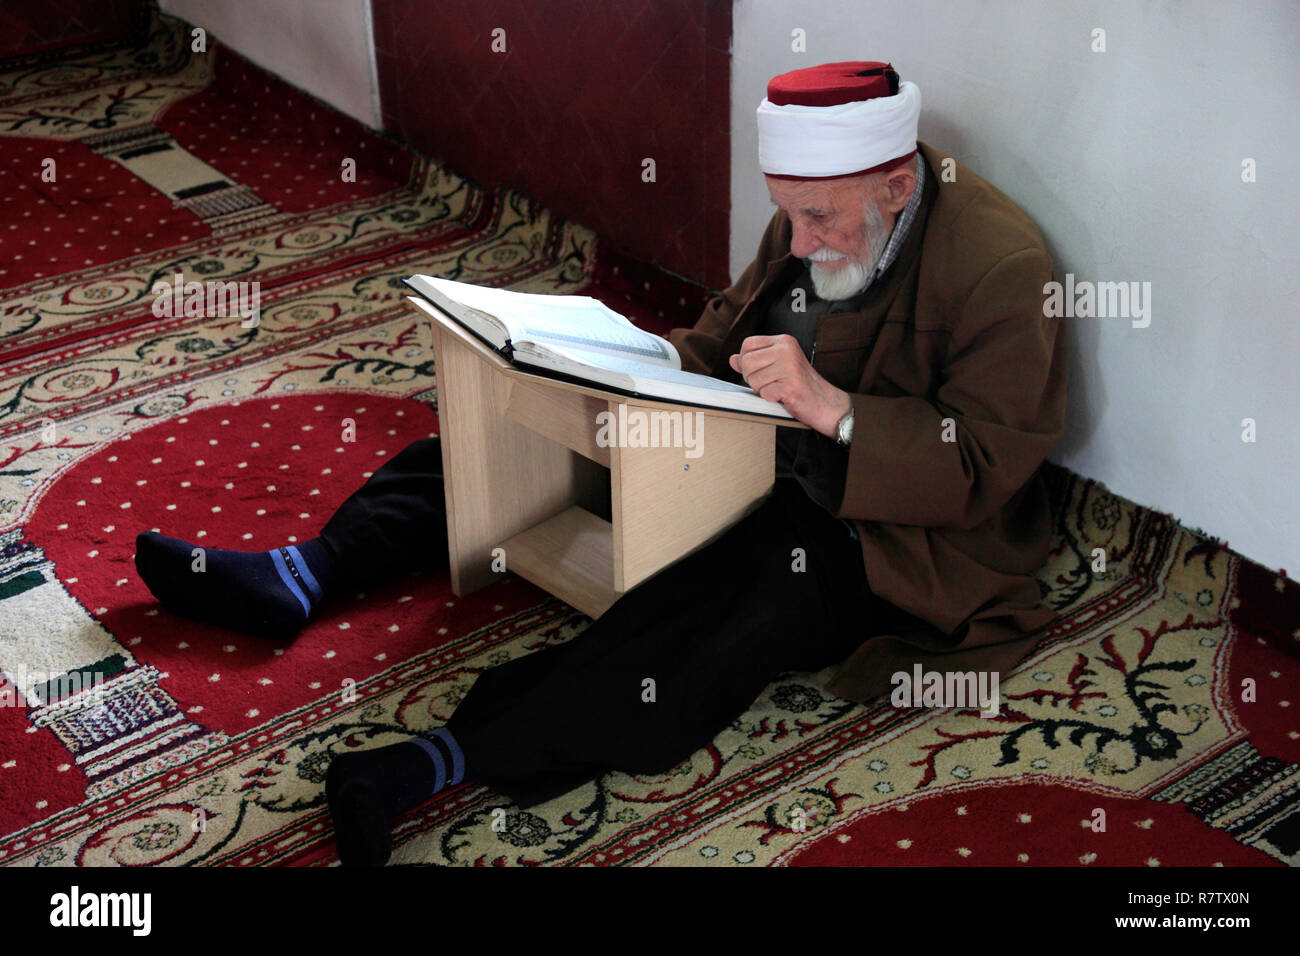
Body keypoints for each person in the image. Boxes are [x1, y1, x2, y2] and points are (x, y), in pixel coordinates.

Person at [134, 61, 1068, 866]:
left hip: (878, 519)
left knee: (707, 620)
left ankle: (437, 760)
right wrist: (637, 374)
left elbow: (985, 462)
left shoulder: (1001, 267)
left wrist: (833, 410)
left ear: (897, 186)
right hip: (761, 433)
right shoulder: (819, 208)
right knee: (527, 434)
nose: (800, 242)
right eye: (789, 216)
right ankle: (306, 575)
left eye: (817, 221)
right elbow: (730, 329)